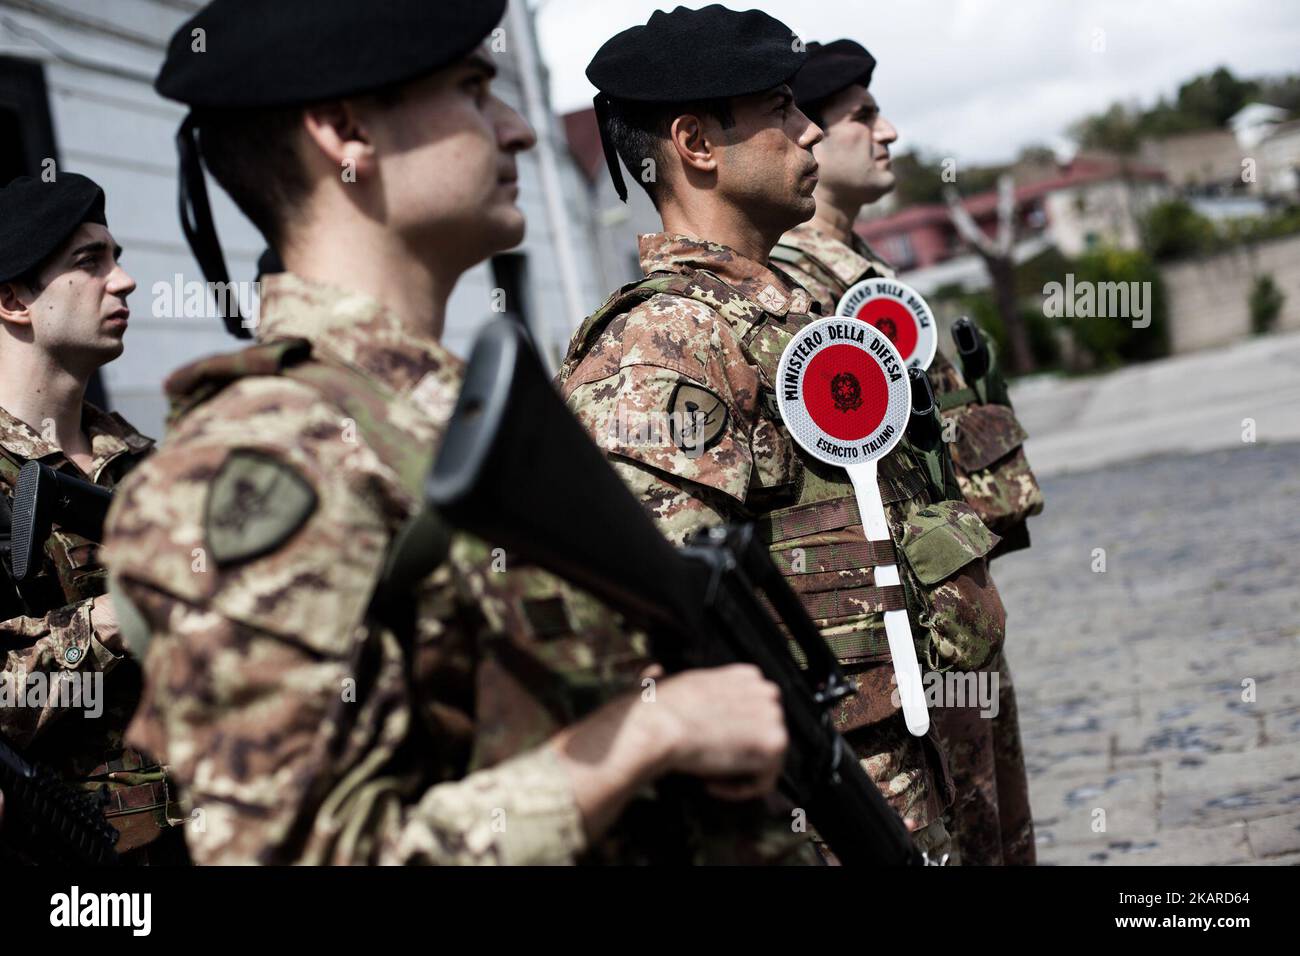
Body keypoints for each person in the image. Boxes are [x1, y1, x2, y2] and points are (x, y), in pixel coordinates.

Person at [104, 0, 806, 865]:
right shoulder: (261, 459)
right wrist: (642, 740)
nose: (516, 131)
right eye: (475, 92)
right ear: (346, 130)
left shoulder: (442, 411)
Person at [558, 4, 1008, 862]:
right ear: (694, 142)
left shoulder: (779, 312)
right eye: (778, 108)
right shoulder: (663, 347)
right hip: (819, 810)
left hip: (904, 771)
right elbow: (658, 627)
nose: (809, 132)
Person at [771, 39, 1044, 864]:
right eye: (861, 116)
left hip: (952, 618)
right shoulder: (806, 289)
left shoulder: (861, 269)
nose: (886, 132)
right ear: (809, 134)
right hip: (903, 645)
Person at [0, 172, 186, 862]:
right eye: (90, 262)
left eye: (117, 255)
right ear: (14, 300)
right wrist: (110, 621)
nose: (125, 280)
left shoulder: (149, 464)